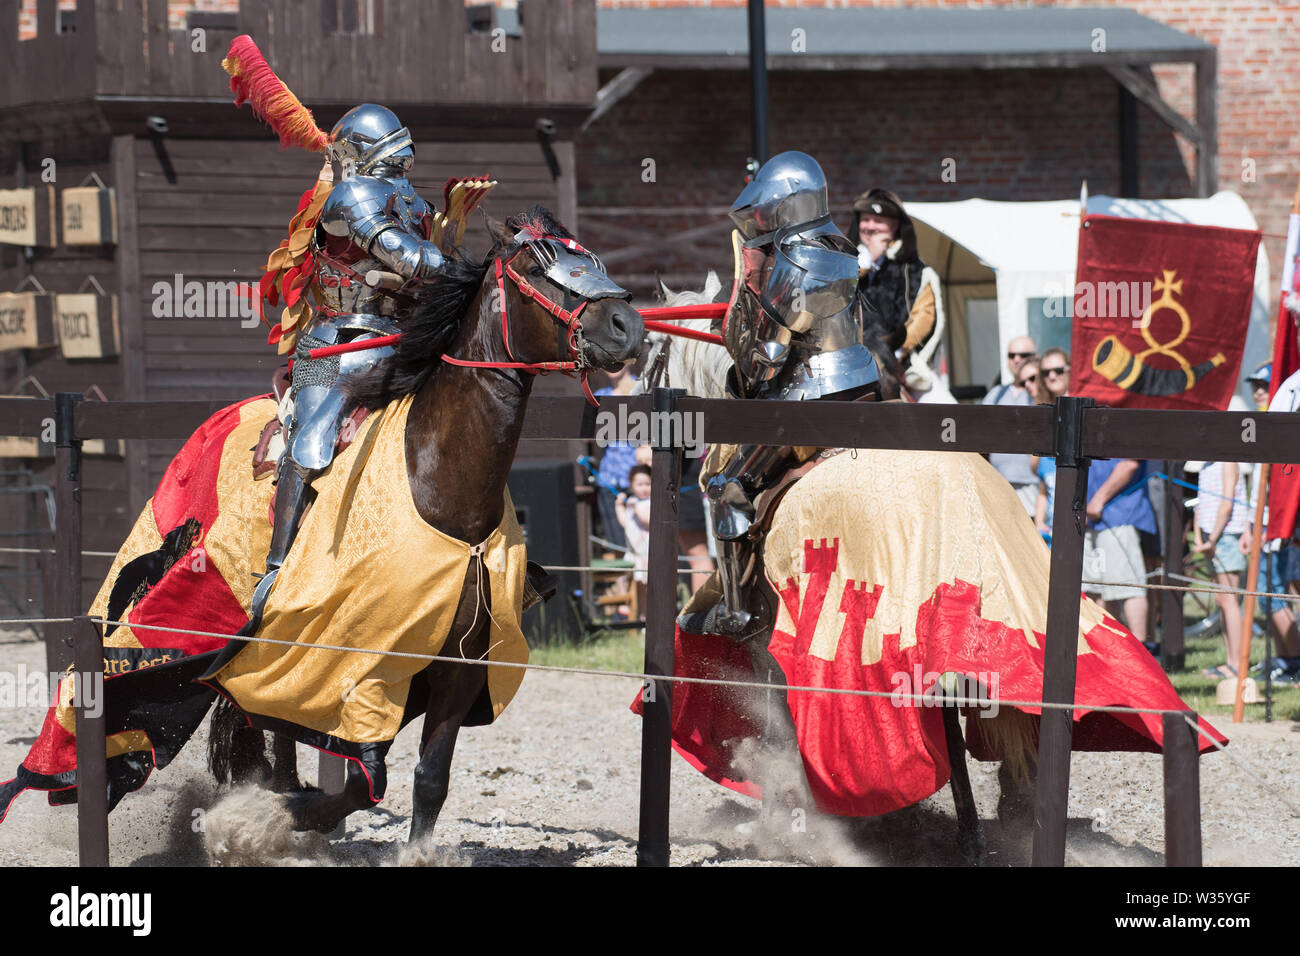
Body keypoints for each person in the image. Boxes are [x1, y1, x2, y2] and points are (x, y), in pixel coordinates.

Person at [247, 102, 453, 629]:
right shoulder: (353, 196)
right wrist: (454, 263)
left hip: (403, 343)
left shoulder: (414, 202)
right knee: (311, 440)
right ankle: (277, 569)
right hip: (331, 347)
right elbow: (412, 261)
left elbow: (424, 269)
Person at [683, 151, 882, 636]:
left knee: (724, 489)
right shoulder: (840, 250)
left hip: (809, 398)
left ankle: (737, 611)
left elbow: (765, 358)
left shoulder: (795, 260)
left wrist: (740, 331)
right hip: (862, 388)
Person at [851, 188, 937, 361]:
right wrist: (866, 262)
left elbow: (923, 318)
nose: (870, 227)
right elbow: (833, 296)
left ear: (895, 226)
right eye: (866, 219)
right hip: (849, 359)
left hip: (900, 360)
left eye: (878, 221)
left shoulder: (916, 271)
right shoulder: (842, 263)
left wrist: (892, 350)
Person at [1082, 457, 1156, 644]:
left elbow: (1130, 463)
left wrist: (1098, 500)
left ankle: (1141, 652)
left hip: (1119, 517)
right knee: (1097, 592)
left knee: (1128, 589)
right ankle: (1110, 650)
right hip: (1092, 521)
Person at [1193, 458, 1250, 679]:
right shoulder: (1207, 465)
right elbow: (1202, 505)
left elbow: (1227, 504)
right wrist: (1201, 538)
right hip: (1212, 537)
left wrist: (1213, 538)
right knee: (1222, 600)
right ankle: (1230, 661)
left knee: (1230, 600)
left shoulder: (1228, 462)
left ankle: (1237, 665)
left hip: (1225, 537)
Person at [982, 335, 1039, 516]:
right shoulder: (996, 394)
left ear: (1035, 357)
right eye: (1011, 355)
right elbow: (979, 433)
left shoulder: (1041, 393)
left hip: (1032, 484)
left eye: (1023, 355)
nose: (1016, 359)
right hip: (998, 483)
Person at [593, 366, 639, 554]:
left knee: (640, 541)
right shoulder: (600, 395)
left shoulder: (641, 386)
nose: (613, 366)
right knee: (616, 544)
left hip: (639, 479)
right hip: (609, 478)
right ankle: (621, 584)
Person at [616, 464, 653, 620]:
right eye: (639, 484)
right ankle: (641, 617)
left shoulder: (651, 502)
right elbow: (625, 522)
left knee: (650, 589)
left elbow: (647, 520)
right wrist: (619, 505)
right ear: (632, 485)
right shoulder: (633, 503)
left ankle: (650, 618)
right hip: (635, 554)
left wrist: (636, 508)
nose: (644, 488)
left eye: (647, 484)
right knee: (637, 588)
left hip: (648, 555)